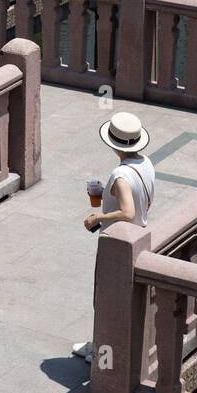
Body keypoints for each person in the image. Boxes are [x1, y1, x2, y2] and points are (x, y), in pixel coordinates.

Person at [72, 112, 155, 363]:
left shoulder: (120, 176)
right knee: (123, 298)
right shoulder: (146, 163)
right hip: (139, 235)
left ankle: (101, 350)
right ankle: (100, 344)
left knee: (105, 295)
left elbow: (127, 211)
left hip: (118, 242)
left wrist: (97, 217)